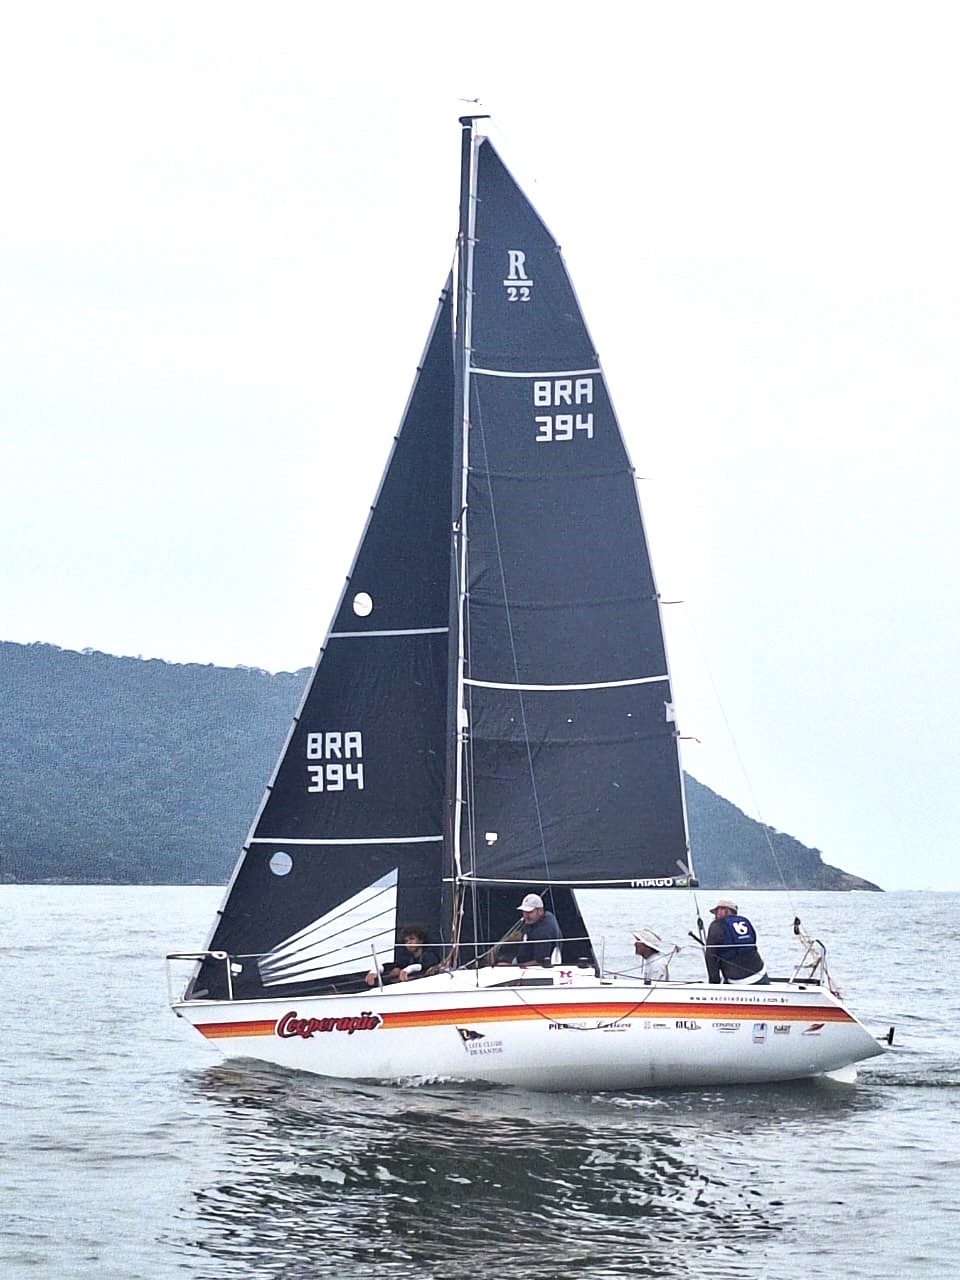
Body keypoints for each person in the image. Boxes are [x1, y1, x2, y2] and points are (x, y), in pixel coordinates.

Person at [704, 899, 769, 984]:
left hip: (737, 981)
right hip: (761, 974)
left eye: (717, 912)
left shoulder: (716, 926)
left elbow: (710, 957)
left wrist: (714, 983)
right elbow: (753, 941)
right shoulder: (745, 921)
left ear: (726, 911)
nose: (715, 916)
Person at [365, 924, 444, 986]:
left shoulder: (430, 956)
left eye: (412, 939)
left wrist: (407, 970)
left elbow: (424, 966)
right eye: (406, 941)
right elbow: (390, 966)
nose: (409, 943)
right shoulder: (407, 958)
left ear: (421, 940)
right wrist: (374, 972)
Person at [515, 893, 562, 967]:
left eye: (530, 912)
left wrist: (514, 967)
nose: (526, 915)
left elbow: (540, 961)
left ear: (540, 911)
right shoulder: (534, 920)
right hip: (521, 960)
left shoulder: (544, 931)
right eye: (524, 911)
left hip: (536, 969)